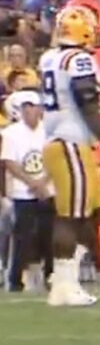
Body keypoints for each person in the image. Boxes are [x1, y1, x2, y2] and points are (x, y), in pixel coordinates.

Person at [38, 5, 100, 307]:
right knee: (70, 216)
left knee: (95, 207)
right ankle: (64, 285)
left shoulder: (50, 58)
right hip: (70, 141)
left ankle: (63, 278)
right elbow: (88, 103)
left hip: (63, 141)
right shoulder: (79, 59)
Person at [2, 90, 53, 293]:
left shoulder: (49, 131)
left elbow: (55, 160)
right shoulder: (11, 133)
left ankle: (52, 275)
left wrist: (43, 182)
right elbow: (9, 162)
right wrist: (32, 182)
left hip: (47, 190)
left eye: (33, 106)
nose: (29, 111)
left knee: (49, 235)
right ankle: (15, 279)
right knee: (22, 236)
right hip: (23, 192)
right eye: (26, 107)